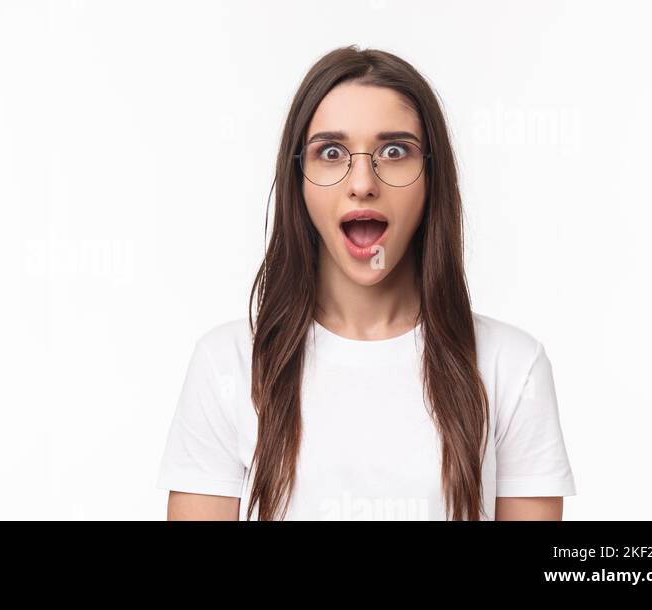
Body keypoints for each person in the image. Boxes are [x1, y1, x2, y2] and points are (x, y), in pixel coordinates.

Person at [154, 45, 576, 521]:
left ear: (432, 178)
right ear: (299, 180)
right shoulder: (226, 363)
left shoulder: (511, 365)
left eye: (394, 151)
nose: (362, 182)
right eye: (330, 152)